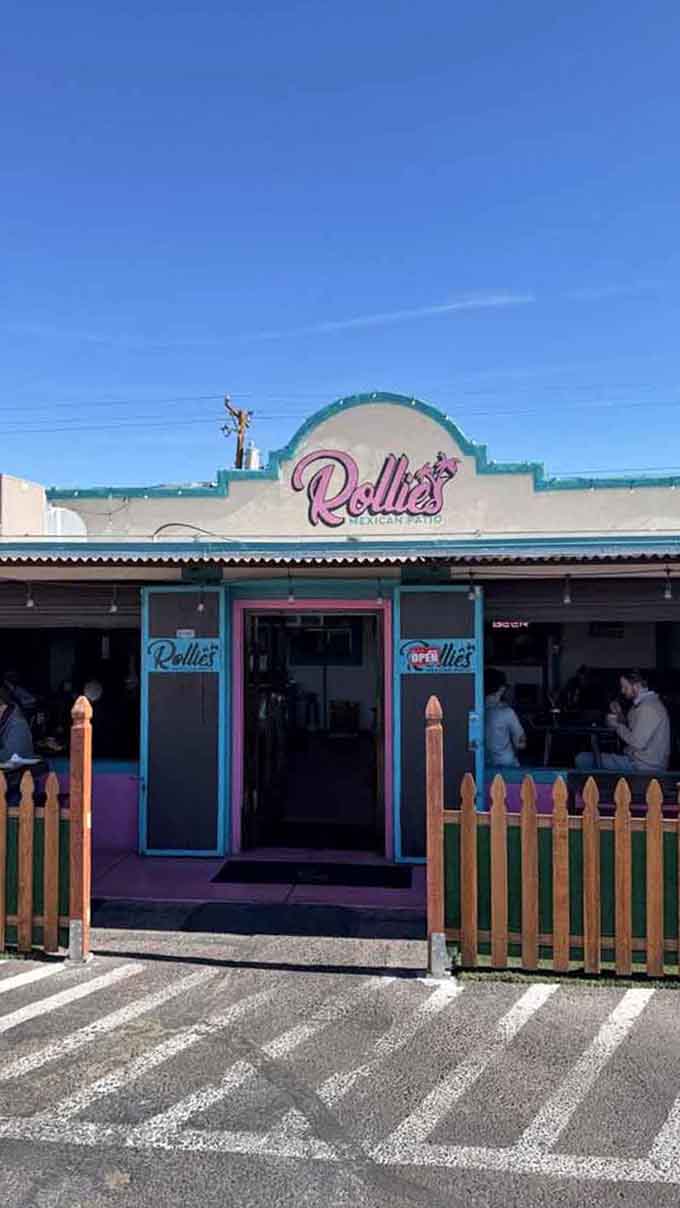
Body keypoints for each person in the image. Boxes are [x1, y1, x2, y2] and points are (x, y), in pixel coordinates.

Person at [575, 669, 670, 773]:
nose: (622, 691)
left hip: (644, 766)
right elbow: (630, 726)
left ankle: (596, 787)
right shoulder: (641, 704)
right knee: (592, 756)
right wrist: (619, 713)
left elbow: (637, 742)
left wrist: (616, 726)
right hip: (640, 760)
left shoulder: (648, 708)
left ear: (636, 686)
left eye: (625, 687)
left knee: (582, 759)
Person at [485, 668, 526, 767]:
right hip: (506, 764)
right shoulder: (507, 712)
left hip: (483, 764)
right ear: (502, 689)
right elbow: (520, 744)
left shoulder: (473, 710)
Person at [0, 685, 35, 763]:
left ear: (3, 707)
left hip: (19, 772)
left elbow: (11, 757)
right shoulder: (5, 721)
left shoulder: (18, 725)